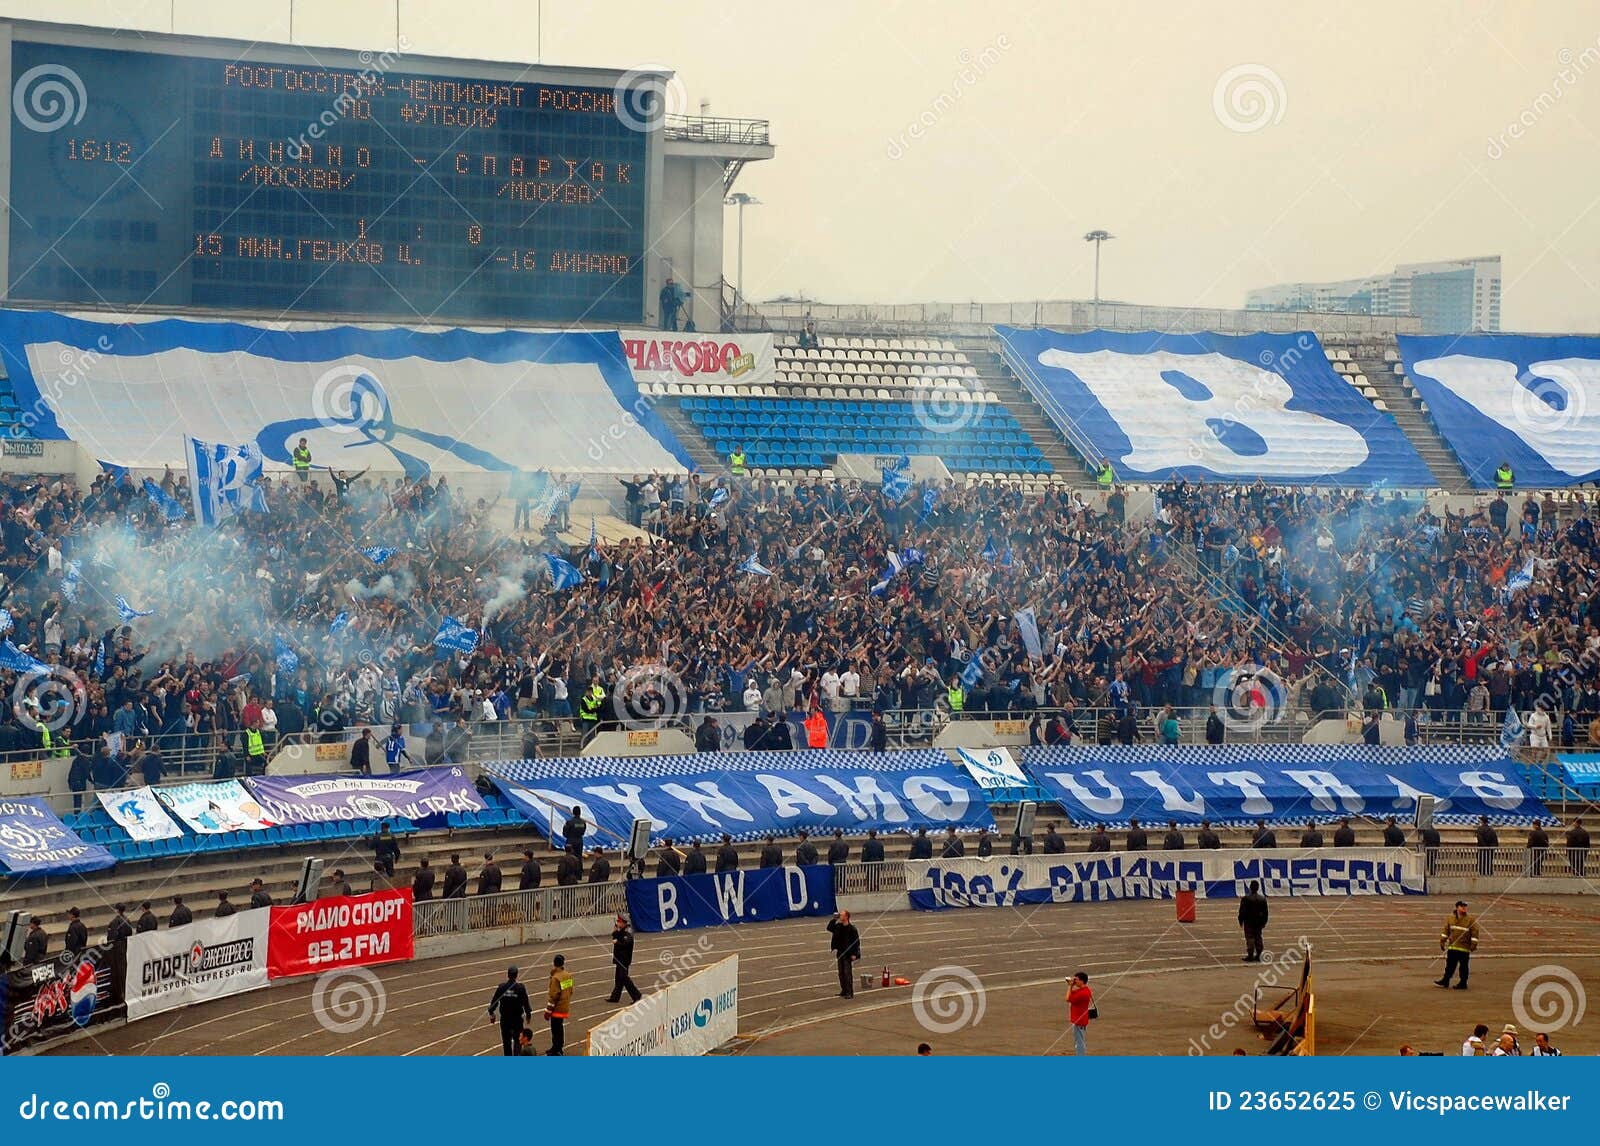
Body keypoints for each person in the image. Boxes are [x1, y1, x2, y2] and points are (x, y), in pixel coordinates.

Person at [487, 966, 533, 1057]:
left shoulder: (501, 987)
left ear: (508, 975)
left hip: (505, 1020)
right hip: (517, 1020)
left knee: (506, 1042)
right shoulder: (520, 988)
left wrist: (491, 1013)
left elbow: (494, 1003)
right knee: (517, 1041)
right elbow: (525, 1003)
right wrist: (528, 1014)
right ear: (516, 975)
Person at [1436, 900, 1478, 989]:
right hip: (1453, 947)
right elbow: (1445, 930)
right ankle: (1445, 980)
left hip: (1464, 948)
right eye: (1462, 906)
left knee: (1463, 967)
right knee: (1449, 965)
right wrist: (1442, 941)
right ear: (1457, 907)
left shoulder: (1470, 919)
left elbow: (1475, 933)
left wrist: (1474, 944)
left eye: (1465, 906)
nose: (1464, 908)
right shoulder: (1450, 918)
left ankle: (1463, 983)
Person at [606, 915, 642, 1005]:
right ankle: (615, 997)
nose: (617, 923)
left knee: (624, 978)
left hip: (624, 959)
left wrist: (617, 942)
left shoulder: (628, 932)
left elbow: (625, 944)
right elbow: (615, 936)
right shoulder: (621, 930)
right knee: (618, 979)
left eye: (619, 922)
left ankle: (636, 995)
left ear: (623, 923)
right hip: (619, 959)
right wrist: (615, 931)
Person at [827, 910, 861, 998]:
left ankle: (849, 992)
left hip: (848, 953)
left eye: (841, 915)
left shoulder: (852, 929)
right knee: (841, 973)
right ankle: (844, 990)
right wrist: (834, 919)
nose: (840, 916)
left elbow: (856, 943)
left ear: (846, 917)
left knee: (847, 973)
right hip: (840, 952)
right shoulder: (838, 926)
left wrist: (855, 954)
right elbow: (829, 928)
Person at [544, 954, 574, 1055]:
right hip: (565, 1007)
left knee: (555, 1030)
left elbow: (553, 996)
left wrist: (548, 1011)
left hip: (557, 1009)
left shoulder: (555, 978)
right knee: (560, 1028)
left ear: (554, 963)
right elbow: (570, 991)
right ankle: (558, 1047)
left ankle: (556, 1049)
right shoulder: (568, 975)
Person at [1237, 880, 1269, 963]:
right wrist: (1264, 922)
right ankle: (1259, 954)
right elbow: (1266, 912)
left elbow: (1242, 911)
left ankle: (1250, 954)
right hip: (1259, 921)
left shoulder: (1246, 898)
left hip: (1249, 921)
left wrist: (1240, 920)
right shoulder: (1262, 899)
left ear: (1250, 887)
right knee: (1258, 937)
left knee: (1250, 937)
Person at [1065, 971, 1094, 1055]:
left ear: (1082, 981)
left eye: (1076, 980)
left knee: (1079, 1042)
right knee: (1079, 1040)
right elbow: (1071, 994)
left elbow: (1067, 998)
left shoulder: (1082, 993)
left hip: (1079, 1020)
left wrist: (1070, 986)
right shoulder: (1084, 990)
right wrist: (1071, 986)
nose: (1075, 981)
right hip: (1080, 1019)